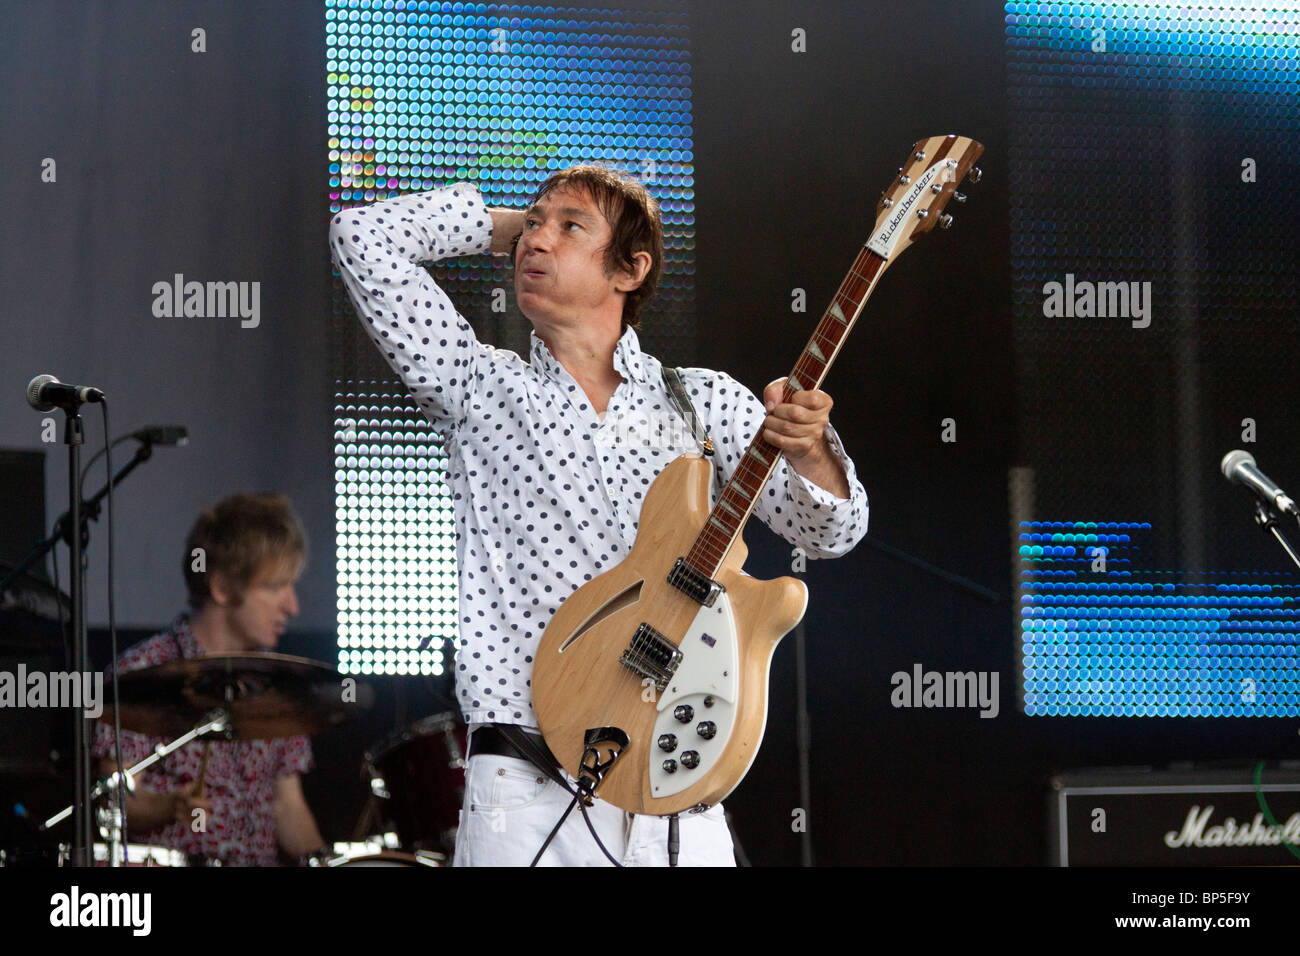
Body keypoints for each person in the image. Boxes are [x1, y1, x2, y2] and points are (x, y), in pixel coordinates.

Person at [331, 165, 869, 866]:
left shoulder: (703, 402)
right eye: (534, 221)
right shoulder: (476, 385)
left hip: (679, 785)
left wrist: (812, 448)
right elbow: (359, 234)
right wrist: (511, 230)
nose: (538, 238)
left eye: (569, 225)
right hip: (526, 789)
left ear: (631, 268)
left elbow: (832, 530)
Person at [93, 493, 326, 866]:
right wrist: (169, 805)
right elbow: (115, 803)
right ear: (221, 587)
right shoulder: (139, 674)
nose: (292, 606)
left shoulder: (279, 682)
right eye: (274, 587)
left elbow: (288, 805)